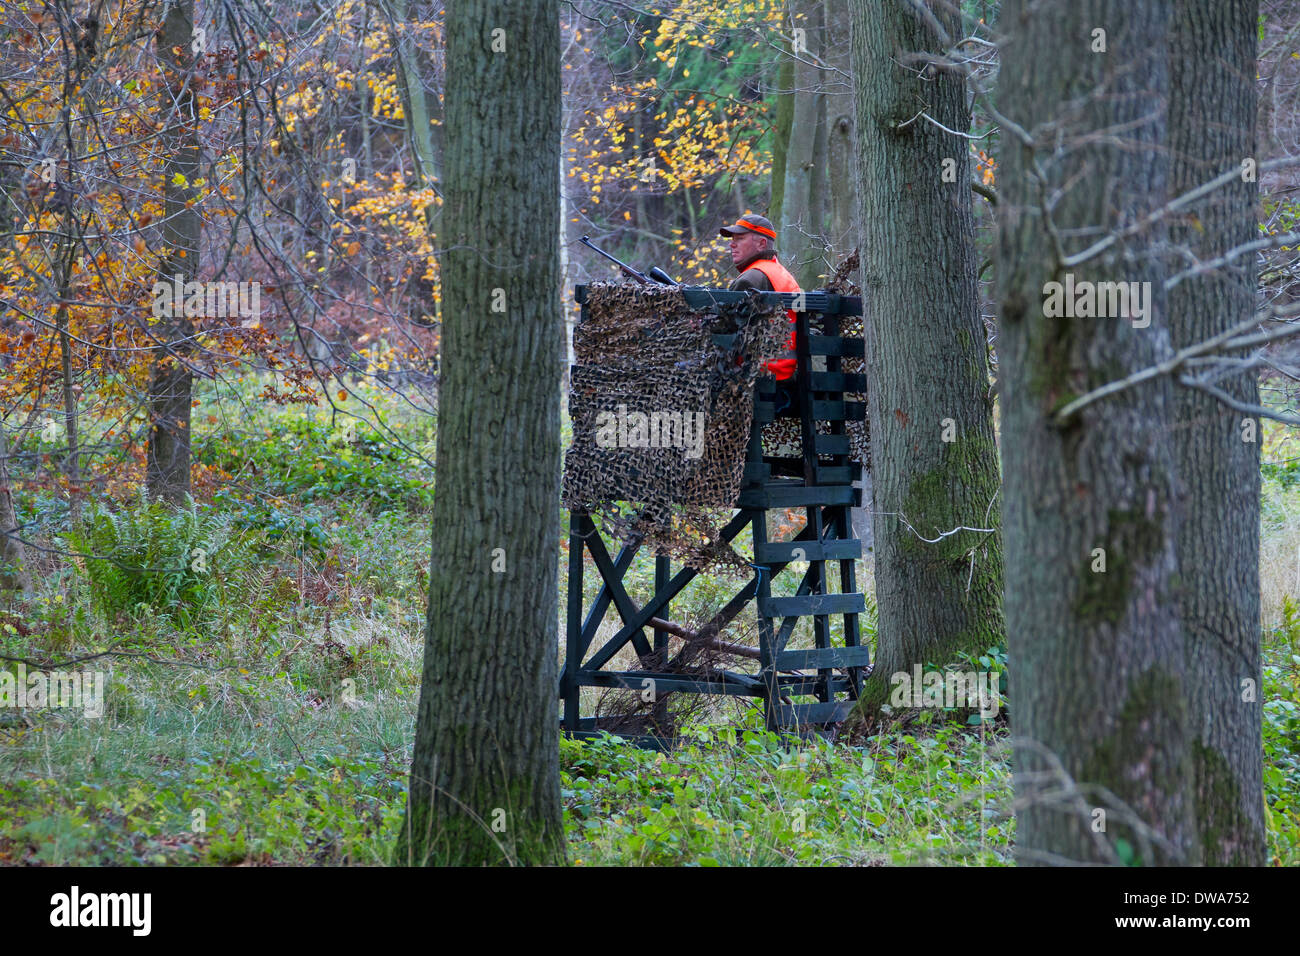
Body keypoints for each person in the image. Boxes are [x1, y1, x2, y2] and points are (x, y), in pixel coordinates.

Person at [719, 213, 801, 413]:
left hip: (760, 379)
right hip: (783, 374)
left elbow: (725, 332)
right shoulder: (780, 273)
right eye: (732, 239)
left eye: (740, 238)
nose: (732, 244)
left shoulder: (751, 279)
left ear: (761, 244)